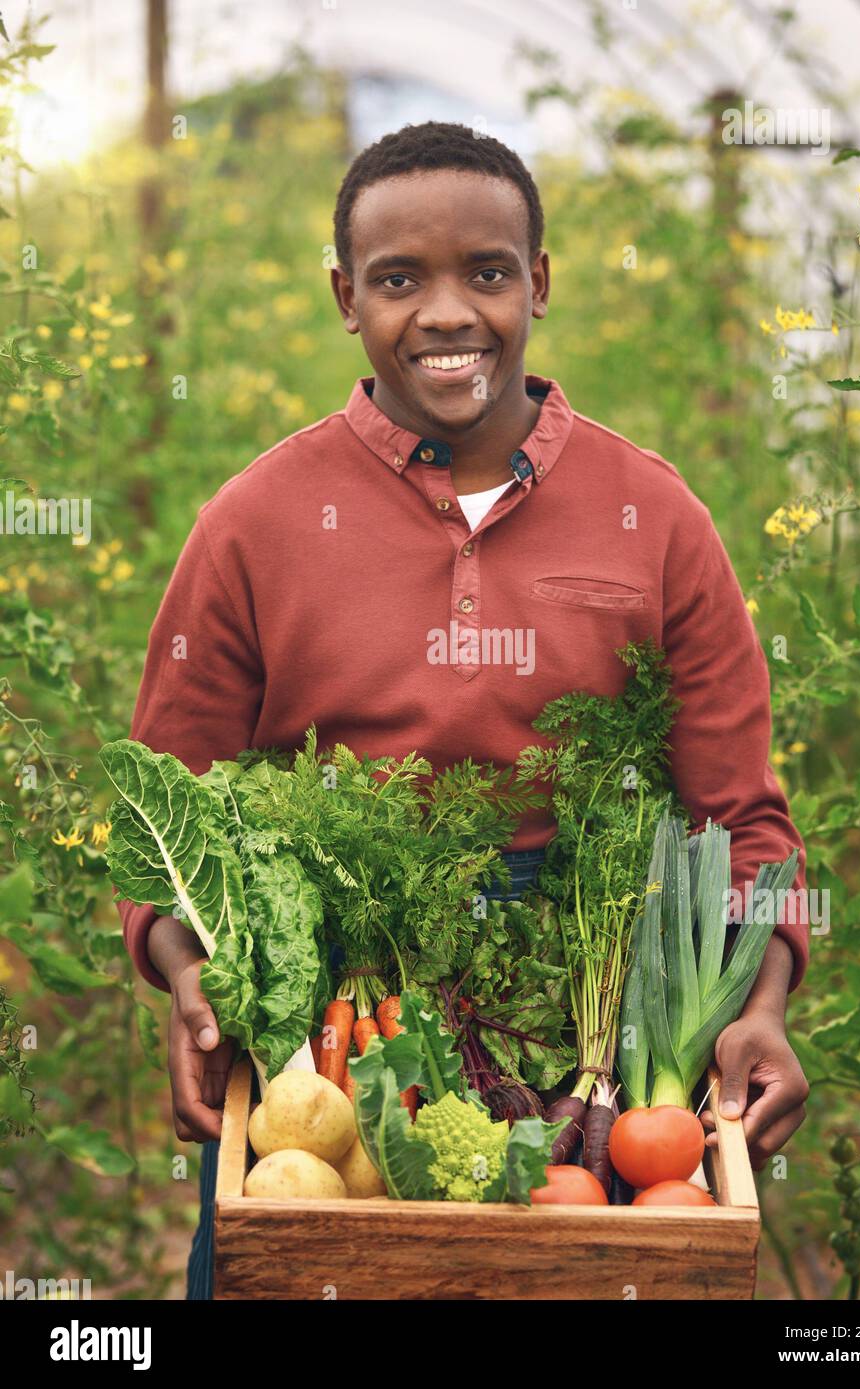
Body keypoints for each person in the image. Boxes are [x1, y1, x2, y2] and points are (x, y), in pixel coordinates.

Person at [117, 120, 811, 1300]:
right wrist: (188, 971)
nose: (447, 313)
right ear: (347, 297)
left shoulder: (655, 515)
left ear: (537, 281)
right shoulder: (257, 522)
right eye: (399, 279)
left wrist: (765, 999)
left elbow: (746, 818)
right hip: (333, 1008)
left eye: (486, 273)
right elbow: (162, 825)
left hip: (596, 988)